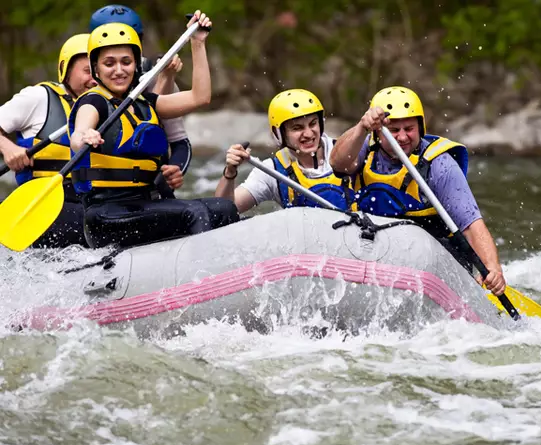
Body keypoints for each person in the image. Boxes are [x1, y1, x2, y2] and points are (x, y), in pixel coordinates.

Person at [68, 12, 239, 249]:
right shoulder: (93, 102)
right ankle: (204, 278)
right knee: (194, 212)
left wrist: (198, 43)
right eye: (109, 63)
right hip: (105, 215)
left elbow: (200, 97)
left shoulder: (145, 101)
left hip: (143, 205)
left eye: (126, 62)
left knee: (225, 208)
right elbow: (78, 135)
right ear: (95, 68)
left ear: (136, 64)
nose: (119, 70)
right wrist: (85, 137)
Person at [329, 86, 507, 295]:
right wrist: (361, 127)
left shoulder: (439, 164)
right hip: (377, 256)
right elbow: (338, 164)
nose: (403, 137)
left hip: (434, 265)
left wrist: (492, 267)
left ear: (421, 127)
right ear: (378, 132)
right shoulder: (364, 148)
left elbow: (470, 225)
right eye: (394, 130)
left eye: (409, 128)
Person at [0, 34, 96, 248]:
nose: (94, 79)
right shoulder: (39, 98)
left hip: (95, 200)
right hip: (49, 204)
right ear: (66, 70)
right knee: (95, 223)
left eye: (97, 71)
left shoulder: (110, 107)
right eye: (88, 71)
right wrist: (8, 148)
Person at [90, 4, 194, 197]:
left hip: (147, 187)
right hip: (100, 191)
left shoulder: (155, 75)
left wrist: (172, 172)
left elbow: (179, 143)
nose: (119, 70)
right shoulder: (82, 81)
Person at [215, 89, 353, 213]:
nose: (308, 134)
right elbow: (223, 210)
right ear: (279, 134)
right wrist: (230, 173)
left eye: (312, 124)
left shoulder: (350, 151)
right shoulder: (272, 171)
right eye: (297, 128)